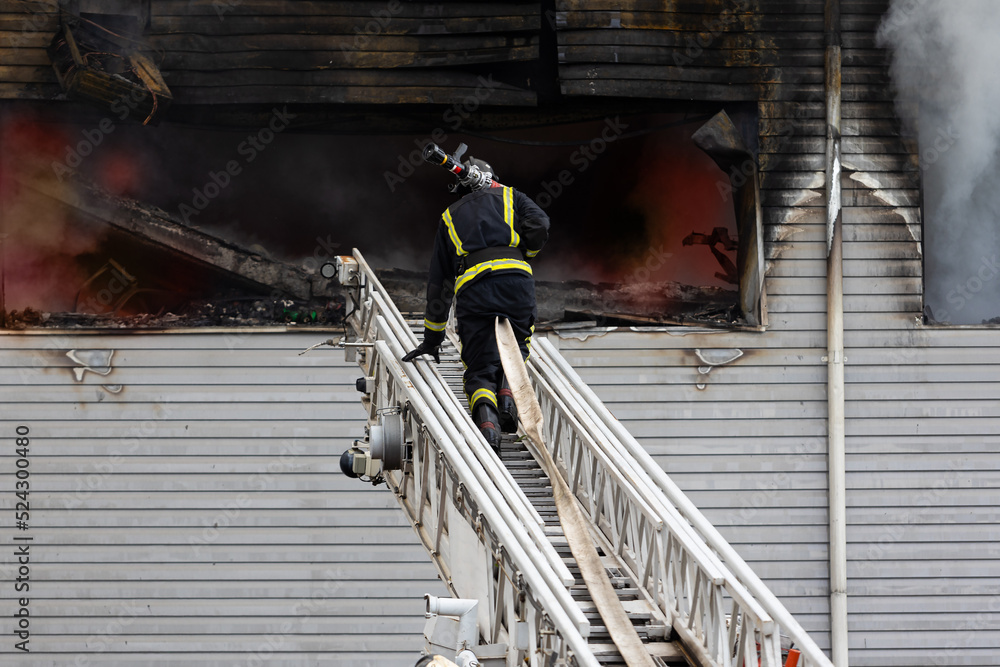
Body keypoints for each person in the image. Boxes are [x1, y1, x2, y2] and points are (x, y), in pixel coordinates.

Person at [402, 156, 549, 456]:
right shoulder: (512, 195)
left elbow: (440, 282)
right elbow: (540, 223)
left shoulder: (449, 216)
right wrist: (525, 252)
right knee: (517, 348)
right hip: (516, 284)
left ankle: (489, 429)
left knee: (479, 367)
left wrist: (433, 339)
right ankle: (508, 397)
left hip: (474, 291)